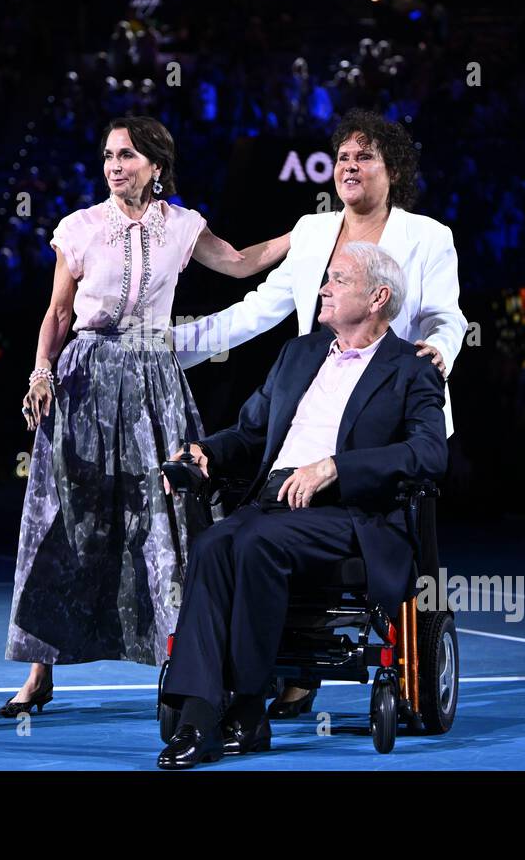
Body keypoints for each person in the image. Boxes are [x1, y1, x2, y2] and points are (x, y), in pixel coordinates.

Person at [171, 107, 466, 716]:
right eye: (342, 158)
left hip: (388, 410)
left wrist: (436, 351)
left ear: (393, 170)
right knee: (238, 532)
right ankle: (263, 679)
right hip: (315, 397)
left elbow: (446, 315)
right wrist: (169, 345)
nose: (350, 167)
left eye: (365, 157)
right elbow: (254, 310)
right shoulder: (312, 233)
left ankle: (262, 692)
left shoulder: (427, 236)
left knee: (264, 537)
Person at [0, 115, 291, 717]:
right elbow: (57, 313)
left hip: (155, 380)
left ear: (155, 166)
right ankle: (39, 671)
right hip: (86, 380)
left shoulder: (183, 226)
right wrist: (40, 371)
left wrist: (308, 235)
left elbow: (238, 263)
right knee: (66, 517)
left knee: (165, 518)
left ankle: (178, 663)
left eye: (127, 155)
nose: (114, 166)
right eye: (108, 155)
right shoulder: (79, 228)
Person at [157, 243, 447, 768]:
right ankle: (199, 717)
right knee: (213, 544)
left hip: (350, 513)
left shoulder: (412, 368)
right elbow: (249, 432)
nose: (323, 289)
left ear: (378, 296)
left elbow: (430, 452)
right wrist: (205, 451)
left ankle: (245, 709)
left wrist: (336, 466)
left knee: (251, 542)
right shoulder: (301, 353)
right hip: (272, 503)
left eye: (338, 280)